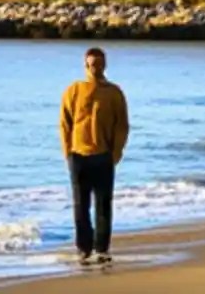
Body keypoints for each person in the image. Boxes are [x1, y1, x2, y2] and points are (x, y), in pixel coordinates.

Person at [59, 47, 129, 265]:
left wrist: (116, 153)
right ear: (85, 65)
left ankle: (102, 248)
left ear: (105, 65)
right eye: (91, 64)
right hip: (78, 155)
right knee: (80, 205)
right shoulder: (74, 90)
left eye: (99, 64)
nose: (95, 68)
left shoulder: (114, 92)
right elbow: (65, 123)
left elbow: (122, 126)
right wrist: (67, 152)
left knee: (103, 204)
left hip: (103, 156)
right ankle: (83, 248)